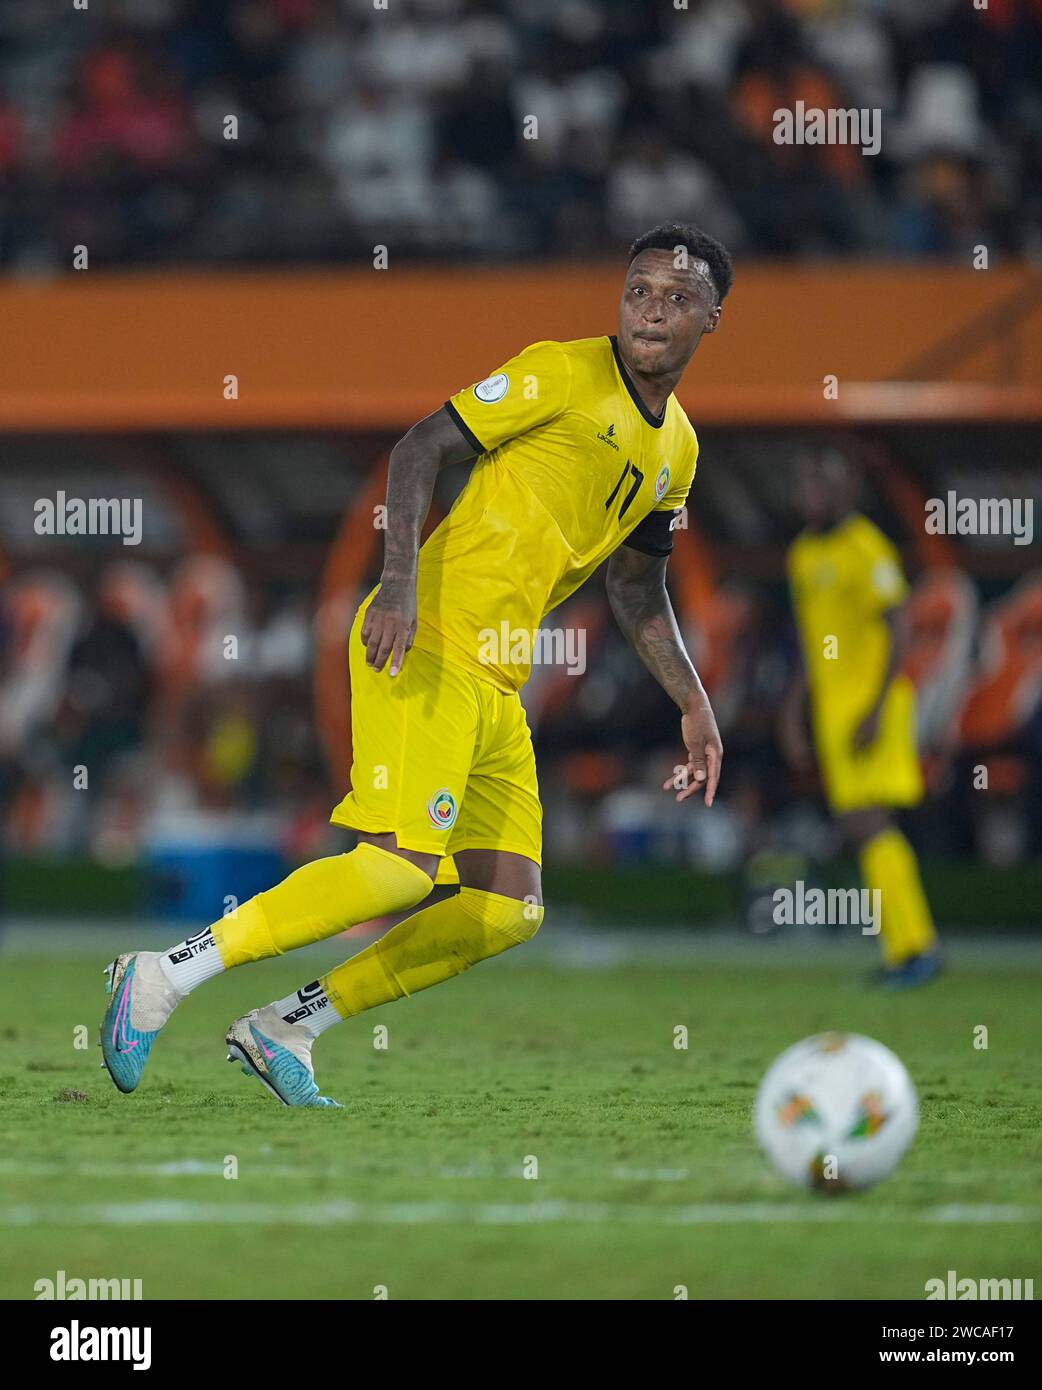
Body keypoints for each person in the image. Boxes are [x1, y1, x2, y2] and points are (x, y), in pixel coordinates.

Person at [100, 222, 732, 1105]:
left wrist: (692, 705)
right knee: (401, 866)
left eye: (676, 296)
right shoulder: (559, 370)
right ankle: (160, 977)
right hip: (426, 636)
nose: (651, 309)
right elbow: (420, 447)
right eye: (638, 290)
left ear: (713, 318)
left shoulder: (680, 452)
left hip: (499, 678)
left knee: (505, 909)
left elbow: (636, 588)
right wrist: (396, 583)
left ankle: (288, 1025)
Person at [780, 451, 941, 987]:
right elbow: (811, 640)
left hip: (873, 706)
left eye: (823, 485)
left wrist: (875, 707)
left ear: (846, 491)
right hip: (833, 710)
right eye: (807, 486)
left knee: (871, 823)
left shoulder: (867, 547)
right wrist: (794, 708)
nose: (813, 497)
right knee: (860, 826)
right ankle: (907, 949)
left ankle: (916, 950)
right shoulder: (802, 554)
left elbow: (899, 627)